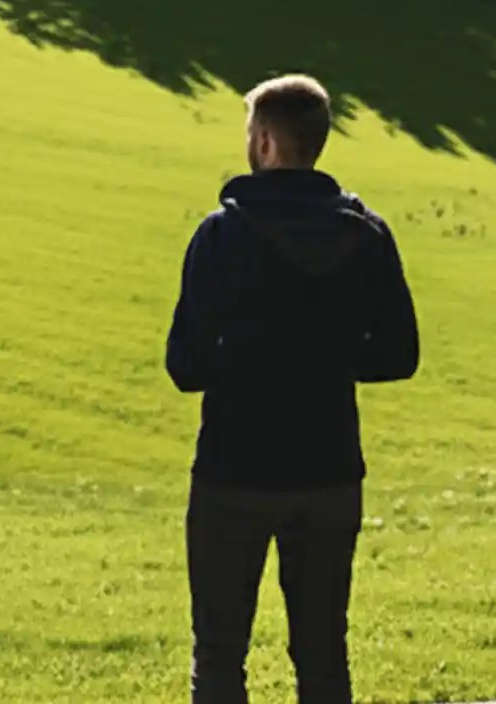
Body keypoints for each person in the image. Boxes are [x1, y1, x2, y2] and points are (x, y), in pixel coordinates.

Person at [164, 73, 420, 704]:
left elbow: (185, 367)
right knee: (323, 654)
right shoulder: (366, 235)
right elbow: (399, 356)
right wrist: (328, 357)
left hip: (234, 471)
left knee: (220, 654)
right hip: (329, 471)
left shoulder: (221, 237)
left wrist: (248, 360)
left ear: (265, 143)